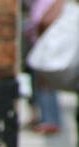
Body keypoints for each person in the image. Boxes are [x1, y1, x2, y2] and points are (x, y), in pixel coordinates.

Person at [26, 0, 65, 134]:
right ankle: (45, 117)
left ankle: (50, 120)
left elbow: (45, 22)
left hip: (46, 48)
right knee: (40, 84)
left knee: (45, 84)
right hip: (41, 46)